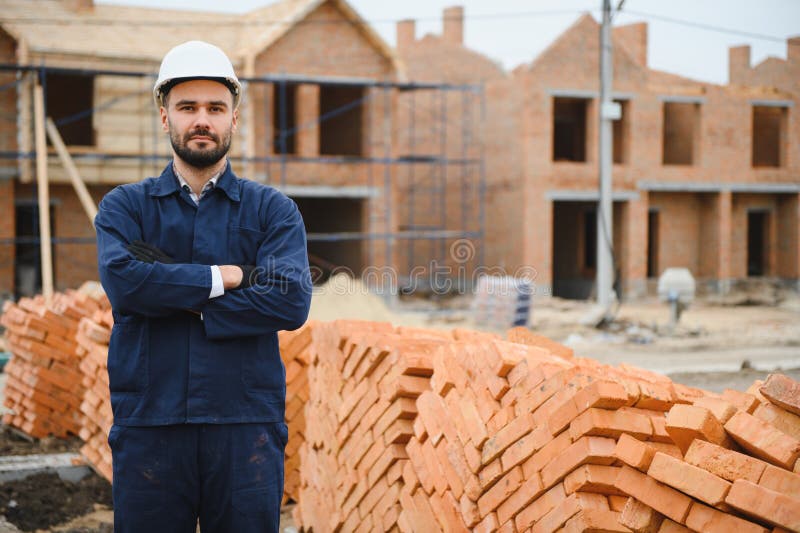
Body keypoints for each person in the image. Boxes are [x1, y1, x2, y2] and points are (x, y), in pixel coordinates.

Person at [95, 40, 311, 532]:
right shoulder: (125, 208)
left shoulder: (272, 210)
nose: (202, 120)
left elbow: (291, 300)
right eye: (187, 107)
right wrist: (226, 277)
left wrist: (173, 291)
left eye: (215, 108)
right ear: (164, 117)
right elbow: (126, 286)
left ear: (234, 119)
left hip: (244, 427)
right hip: (151, 422)